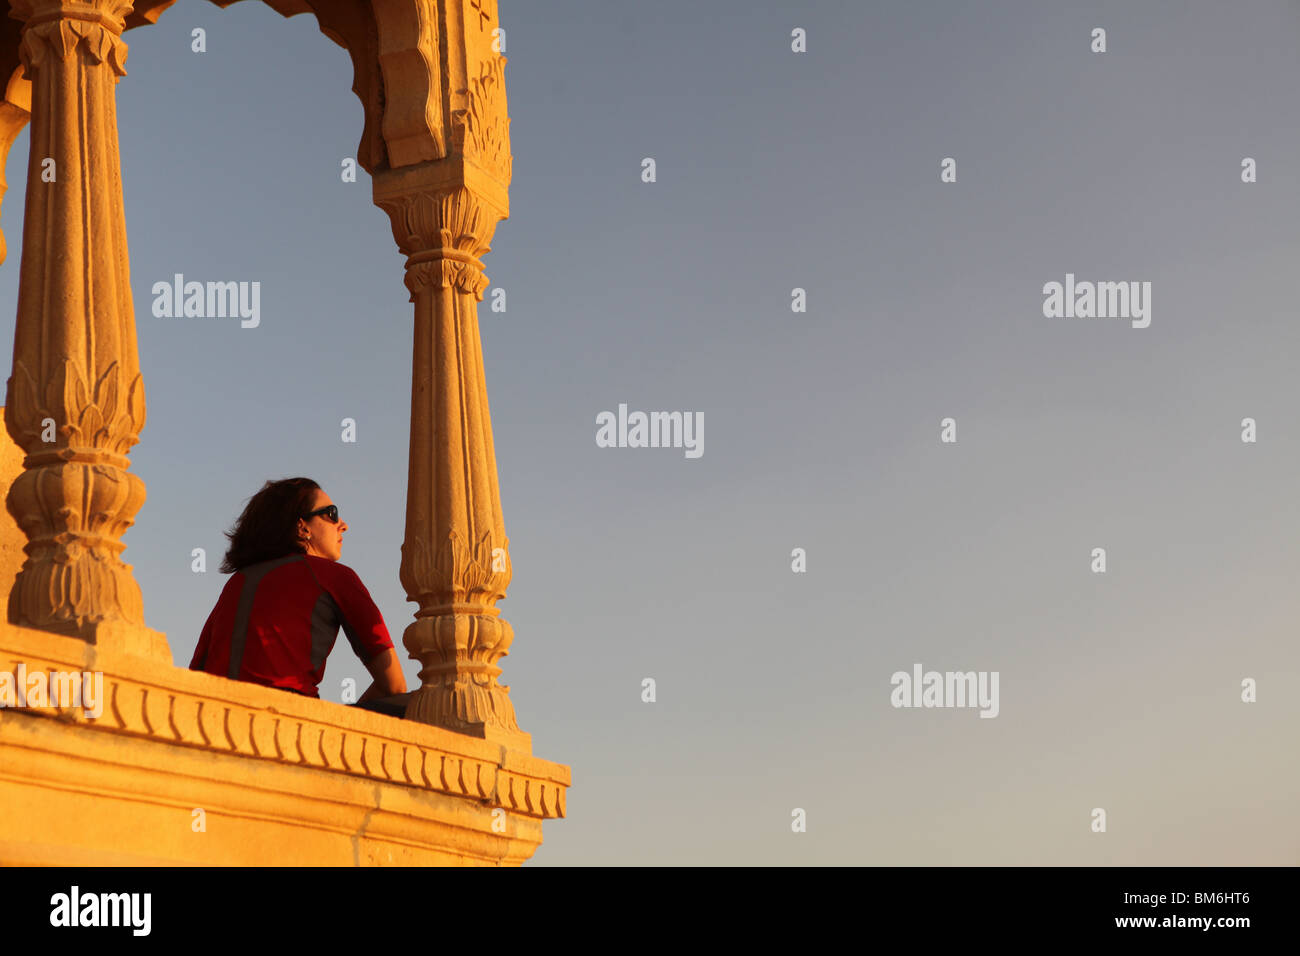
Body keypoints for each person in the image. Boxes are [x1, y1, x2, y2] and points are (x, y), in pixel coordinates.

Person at [190, 477, 408, 706]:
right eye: (331, 513)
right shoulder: (334, 576)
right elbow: (393, 685)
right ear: (302, 527)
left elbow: (197, 673)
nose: (343, 524)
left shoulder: (237, 582)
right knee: (425, 704)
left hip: (214, 716)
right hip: (286, 719)